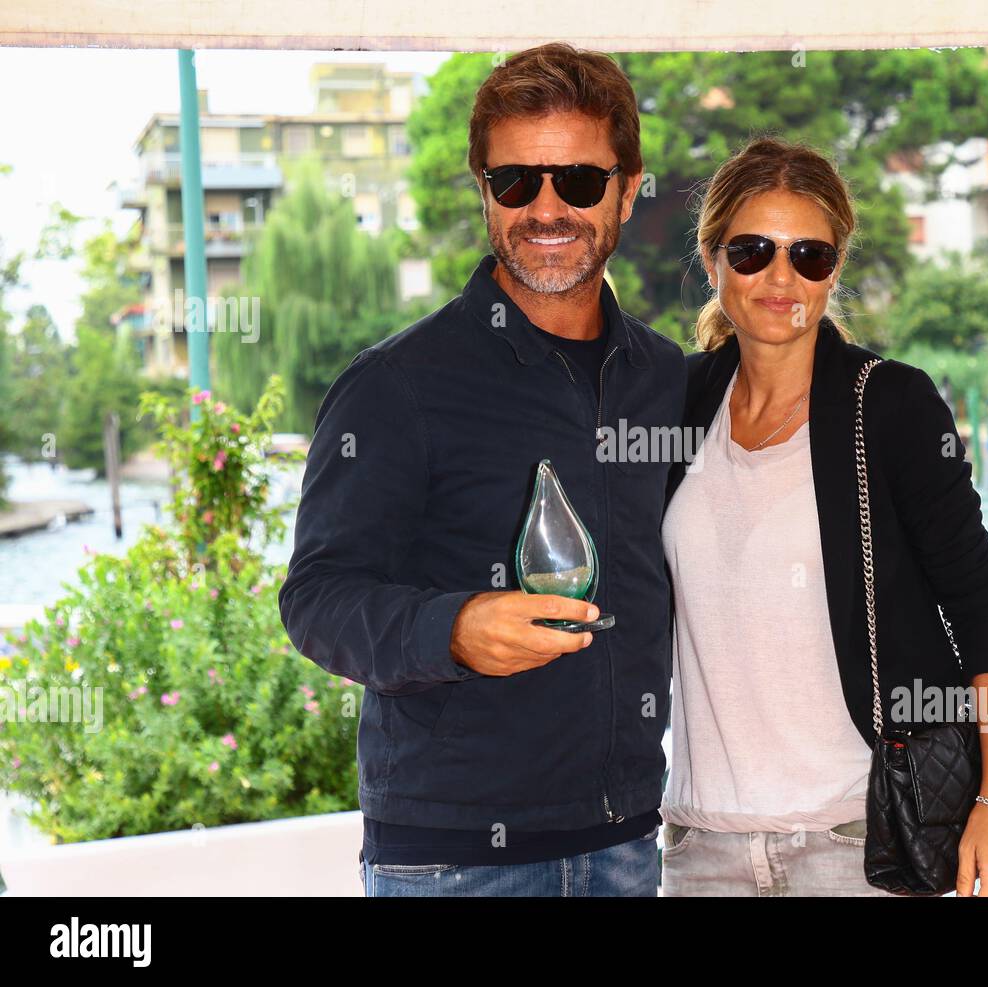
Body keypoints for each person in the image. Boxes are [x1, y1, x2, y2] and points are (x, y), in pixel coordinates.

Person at [279, 42, 686, 897]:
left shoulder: (664, 378)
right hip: (452, 863)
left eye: (577, 181)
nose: (547, 207)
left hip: (626, 849)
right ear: (484, 191)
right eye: (515, 183)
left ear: (629, 186)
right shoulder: (396, 386)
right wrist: (455, 628)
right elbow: (316, 598)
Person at [660, 137, 988, 896]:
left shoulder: (888, 404)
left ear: (835, 270)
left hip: (859, 846)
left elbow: (981, 606)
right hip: (703, 850)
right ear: (713, 259)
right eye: (754, 250)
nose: (780, 276)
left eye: (810, 256)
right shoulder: (673, 403)